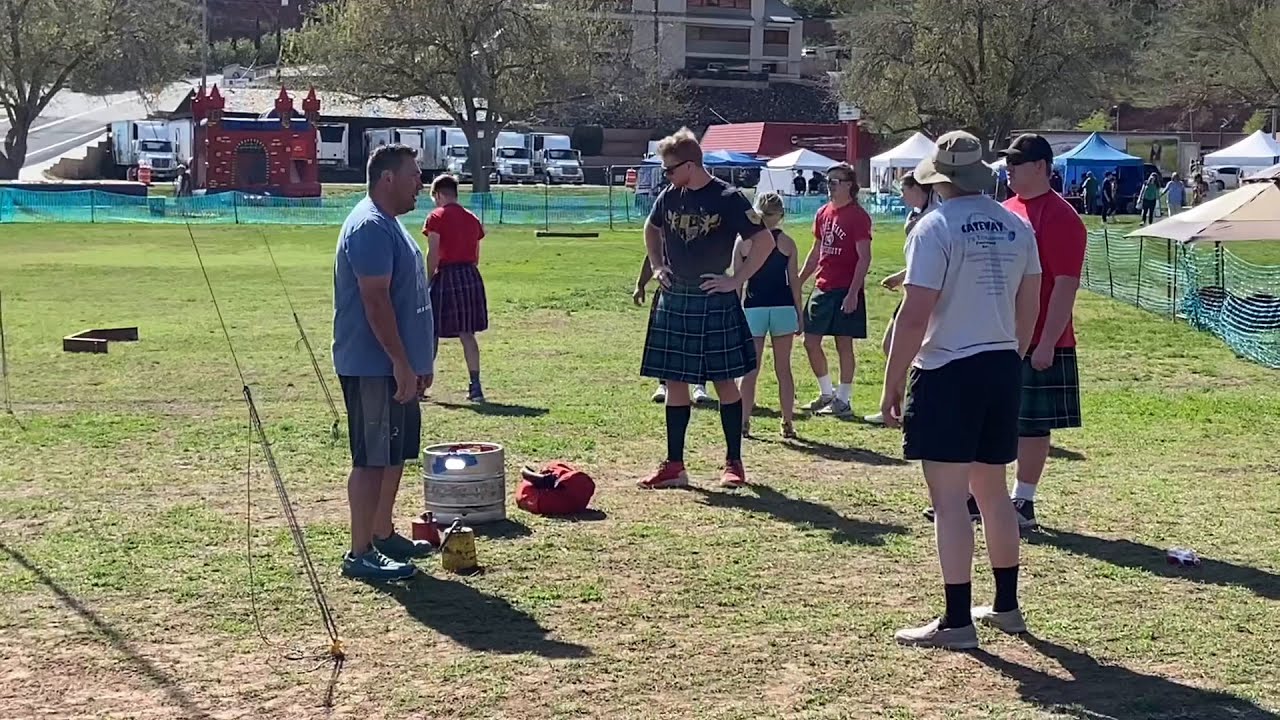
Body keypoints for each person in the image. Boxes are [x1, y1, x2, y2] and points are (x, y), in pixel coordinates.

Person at [879, 130, 1042, 650]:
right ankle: (1006, 607)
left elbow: (914, 316)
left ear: (938, 178)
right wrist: (1012, 355)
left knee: (949, 501)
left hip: (948, 369)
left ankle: (956, 621)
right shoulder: (1016, 224)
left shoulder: (934, 227)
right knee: (992, 492)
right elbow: (1030, 302)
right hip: (1002, 365)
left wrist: (892, 381)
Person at [637, 128, 777, 490]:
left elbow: (763, 241)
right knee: (675, 381)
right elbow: (651, 229)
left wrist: (737, 279)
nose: (666, 176)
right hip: (677, 296)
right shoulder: (670, 196)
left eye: (670, 169)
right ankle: (675, 466)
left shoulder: (728, 198)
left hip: (713, 297)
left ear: (690, 165)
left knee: (724, 382)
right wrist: (657, 265)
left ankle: (734, 463)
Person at [332, 144, 436, 581]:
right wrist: (399, 361)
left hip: (398, 366)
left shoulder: (391, 224)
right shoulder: (370, 226)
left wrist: (417, 361)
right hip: (373, 366)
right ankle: (360, 553)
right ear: (388, 178)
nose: (421, 184)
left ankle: (382, 533)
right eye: (414, 175)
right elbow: (375, 301)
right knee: (372, 459)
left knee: (393, 453)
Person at [1000, 133, 1088, 529]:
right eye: (1007, 163)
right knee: (990, 416)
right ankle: (977, 495)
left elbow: (1066, 284)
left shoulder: (1061, 217)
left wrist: (1048, 342)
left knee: (1032, 426)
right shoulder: (1005, 210)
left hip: (1040, 337)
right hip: (1000, 332)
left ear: (1040, 167)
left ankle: (1023, 500)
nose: (1009, 170)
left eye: (1016, 163)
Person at [799, 163, 873, 418]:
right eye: (828, 182)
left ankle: (843, 399)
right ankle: (826, 392)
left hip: (845, 288)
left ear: (849, 185)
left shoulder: (858, 216)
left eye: (835, 181)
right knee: (810, 341)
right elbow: (816, 251)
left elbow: (864, 257)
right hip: (823, 285)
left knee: (844, 344)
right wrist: (799, 280)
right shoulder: (823, 212)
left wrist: (853, 293)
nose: (829, 186)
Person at [866, 171, 939, 425]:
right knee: (892, 345)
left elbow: (932, 260)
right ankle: (900, 406)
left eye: (903, 190)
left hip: (925, 290)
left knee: (901, 347)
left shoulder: (934, 216)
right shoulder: (917, 214)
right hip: (913, 285)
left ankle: (906, 407)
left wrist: (904, 276)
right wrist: (901, 276)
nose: (901, 196)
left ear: (917, 189)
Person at [735, 192, 803, 439]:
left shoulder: (743, 242)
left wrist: (735, 311)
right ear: (781, 215)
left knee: (750, 369)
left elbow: (737, 282)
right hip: (783, 308)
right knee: (783, 369)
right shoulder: (788, 243)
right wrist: (799, 313)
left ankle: (743, 421)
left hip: (754, 308)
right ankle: (787, 421)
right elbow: (794, 282)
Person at [423, 174, 488, 402]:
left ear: (438, 194)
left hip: (446, 275)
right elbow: (476, 256)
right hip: (469, 275)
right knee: (467, 333)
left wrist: (426, 280)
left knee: (430, 331)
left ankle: (421, 385)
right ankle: (475, 386)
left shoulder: (436, 217)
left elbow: (433, 254)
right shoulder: (472, 218)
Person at [633, 258, 711, 405]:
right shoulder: (663, 240)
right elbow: (652, 255)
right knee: (668, 342)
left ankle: (699, 385)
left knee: (699, 341)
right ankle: (663, 384)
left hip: (700, 289)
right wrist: (640, 284)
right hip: (671, 289)